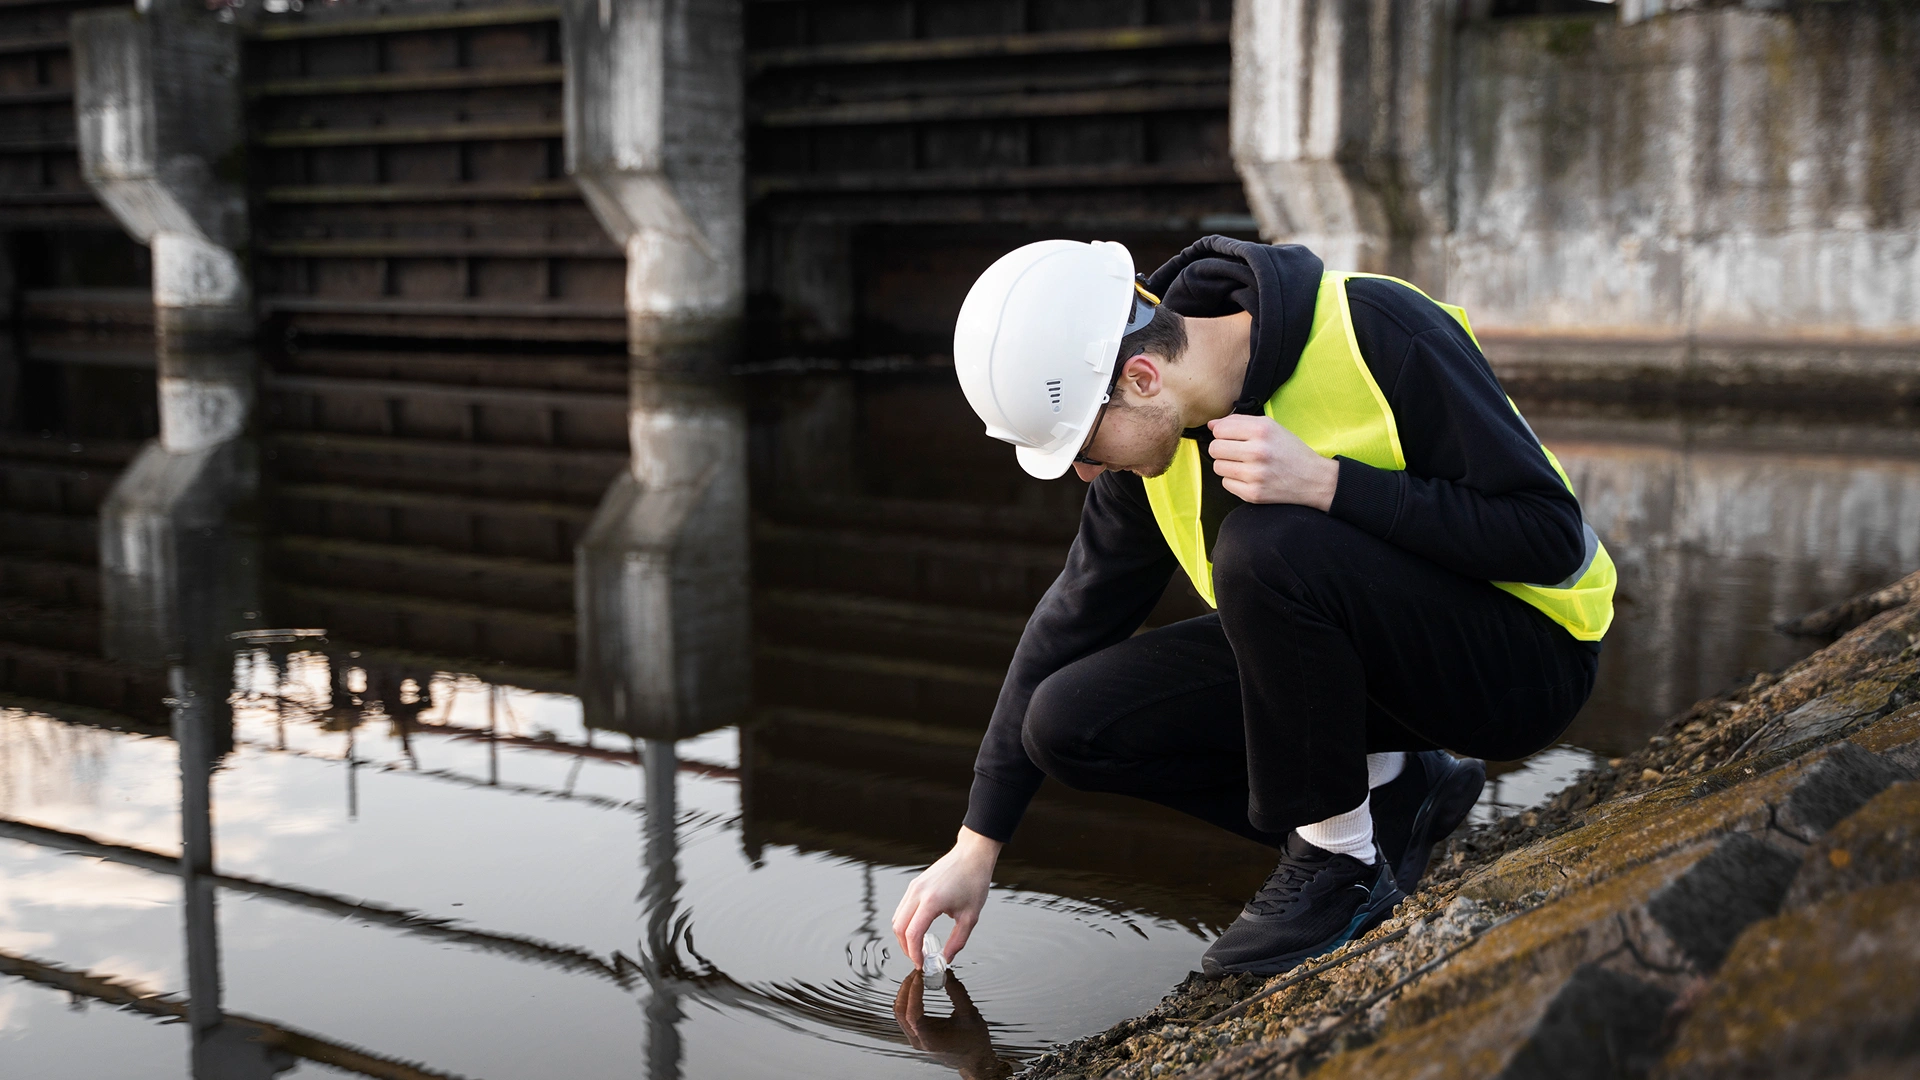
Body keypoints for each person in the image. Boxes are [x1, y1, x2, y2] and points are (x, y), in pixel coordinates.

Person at [891, 236, 1613, 977]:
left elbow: (1549, 535)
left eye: (1082, 443)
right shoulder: (1153, 443)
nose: (1083, 471)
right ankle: (1394, 793)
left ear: (1141, 377)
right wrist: (976, 844)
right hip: (1387, 678)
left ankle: (1339, 869)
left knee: (1264, 545)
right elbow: (1071, 618)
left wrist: (1332, 485)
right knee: (1068, 722)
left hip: (1525, 662)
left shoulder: (1377, 327)